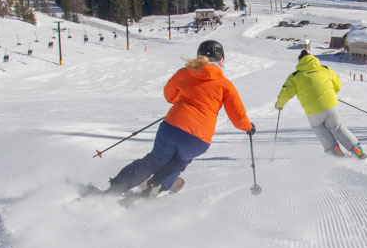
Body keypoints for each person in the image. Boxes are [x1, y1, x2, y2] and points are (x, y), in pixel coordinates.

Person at [106, 40, 255, 197]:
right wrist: (248, 127)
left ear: (199, 56)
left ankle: (115, 188)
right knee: (177, 164)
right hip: (198, 139)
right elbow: (237, 117)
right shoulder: (225, 85)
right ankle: (155, 188)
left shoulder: (184, 73)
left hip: (172, 127)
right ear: (221, 60)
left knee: (153, 160)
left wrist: (183, 100)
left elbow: (169, 95)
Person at [275, 50, 367, 158]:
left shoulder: (295, 76)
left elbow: (286, 92)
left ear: (299, 60)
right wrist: (331, 94)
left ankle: (335, 150)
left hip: (313, 110)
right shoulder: (325, 69)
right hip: (331, 105)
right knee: (336, 126)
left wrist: (279, 105)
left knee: (318, 127)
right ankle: (356, 149)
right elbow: (338, 83)